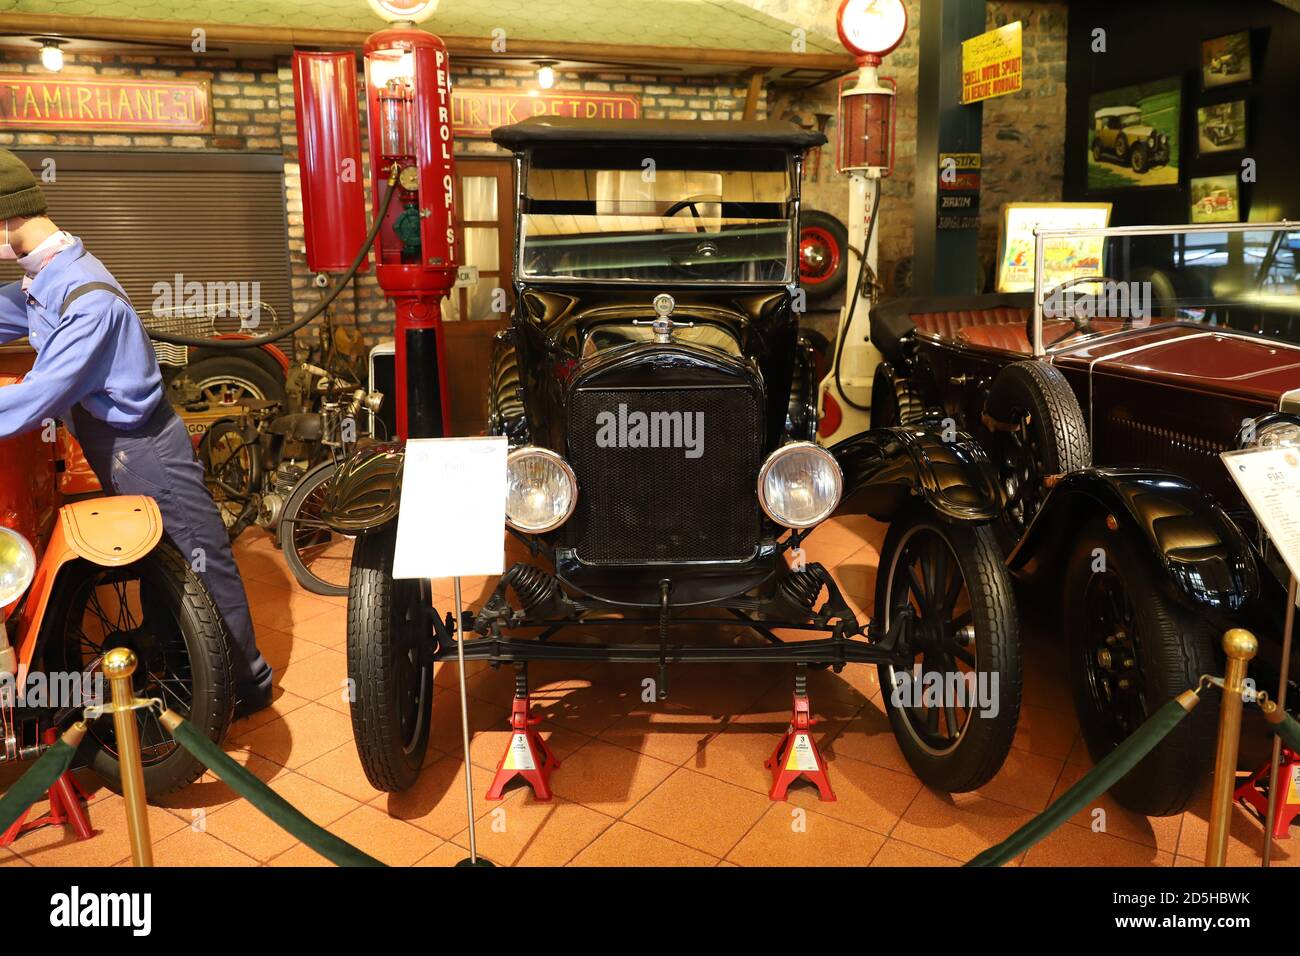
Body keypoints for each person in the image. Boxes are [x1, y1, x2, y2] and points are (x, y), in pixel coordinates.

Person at [0, 148, 272, 717]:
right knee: (164, 567)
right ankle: (187, 671)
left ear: (7, 221)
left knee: (200, 562)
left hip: (146, 452)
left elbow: (36, 398)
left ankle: (246, 687)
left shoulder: (86, 301)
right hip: (118, 448)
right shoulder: (48, 275)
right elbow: (17, 312)